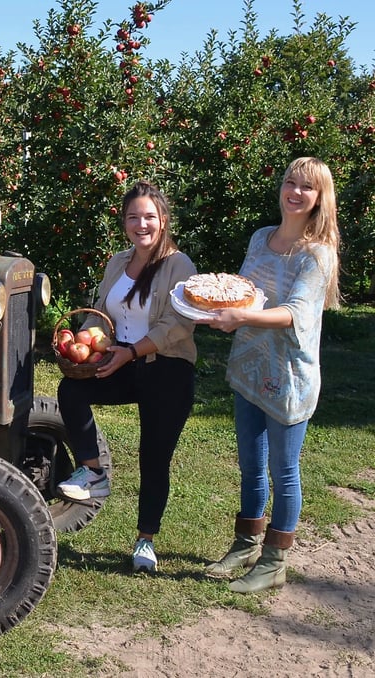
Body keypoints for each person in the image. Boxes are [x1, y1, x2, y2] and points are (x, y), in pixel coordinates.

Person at [200, 157, 340, 593]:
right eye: (290, 183)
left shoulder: (317, 255)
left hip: (288, 377)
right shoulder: (261, 238)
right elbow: (244, 289)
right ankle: (246, 543)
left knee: (284, 470)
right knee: (250, 465)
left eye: (307, 187)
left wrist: (239, 315)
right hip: (249, 367)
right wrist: (216, 305)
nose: (295, 192)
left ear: (320, 199)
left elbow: (295, 313)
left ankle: (275, 560)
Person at [55, 181, 198, 573]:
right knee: (71, 388)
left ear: (163, 220)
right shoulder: (118, 262)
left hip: (166, 368)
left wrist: (132, 351)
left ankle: (145, 541)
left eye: (149, 216)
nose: (142, 224)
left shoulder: (179, 265)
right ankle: (94, 472)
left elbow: (179, 324)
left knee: (154, 456)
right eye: (133, 217)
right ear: (124, 222)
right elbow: (100, 313)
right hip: (119, 359)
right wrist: (79, 343)